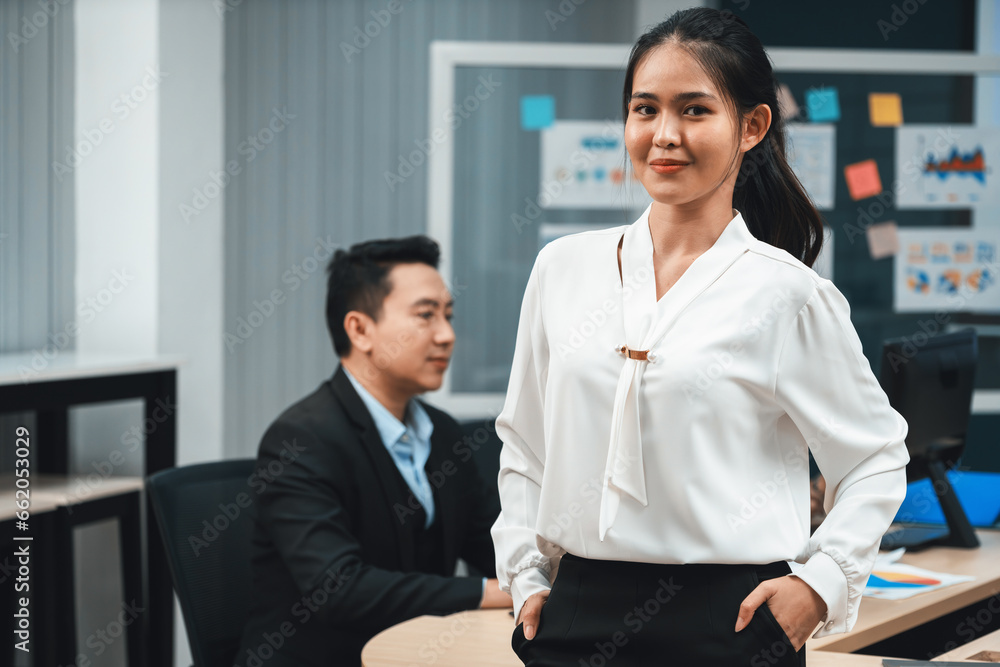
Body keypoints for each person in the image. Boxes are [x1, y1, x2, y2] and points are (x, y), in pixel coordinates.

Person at [490, 8, 909, 666]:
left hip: (730, 623)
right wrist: (525, 576)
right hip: (573, 616)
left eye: (693, 110)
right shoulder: (562, 269)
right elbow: (525, 446)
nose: (663, 135)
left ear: (752, 126)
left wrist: (819, 586)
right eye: (644, 109)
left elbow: (876, 458)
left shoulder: (788, 294)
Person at [237, 236, 511, 667]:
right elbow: (340, 589)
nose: (447, 335)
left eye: (448, 315)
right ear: (359, 330)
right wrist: (490, 591)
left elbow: (493, 546)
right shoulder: (300, 439)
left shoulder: (441, 434)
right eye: (425, 316)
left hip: (417, 655)